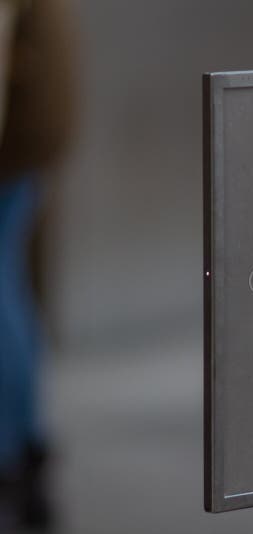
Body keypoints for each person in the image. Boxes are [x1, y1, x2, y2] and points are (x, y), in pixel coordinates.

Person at [0, 0, 73, 528]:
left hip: (15, 140)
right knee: (12, 283)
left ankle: (12, 456)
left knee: (5, 290)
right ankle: (25, 450)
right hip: (34, 132)